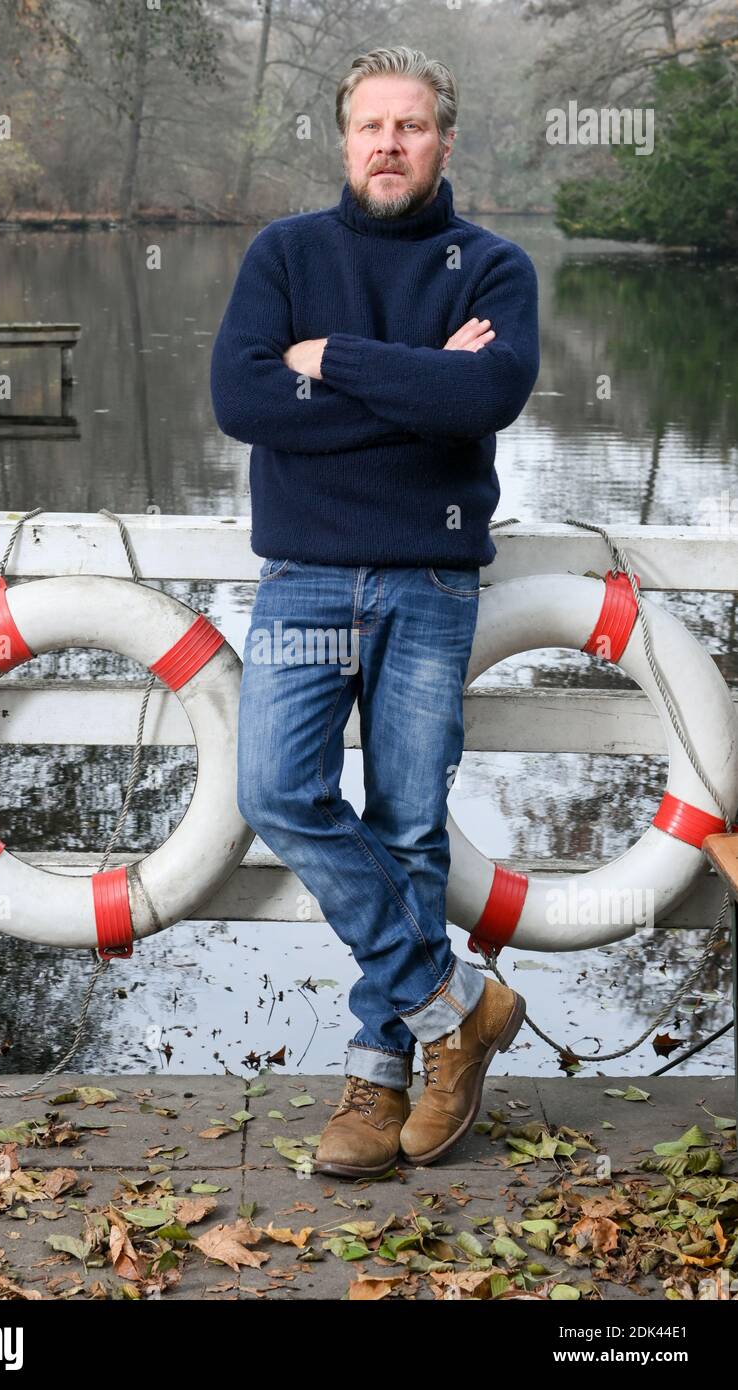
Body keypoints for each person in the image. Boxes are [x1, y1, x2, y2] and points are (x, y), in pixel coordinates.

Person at [210, 45, 538, 1178]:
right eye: (369, 127)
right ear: (341, 138)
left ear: (444, 140)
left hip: (430, 576)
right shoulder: (285, 252)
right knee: (277, 790)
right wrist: (414, 386)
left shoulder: (491, 268)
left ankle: (378, 1075)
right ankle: (454, 1010)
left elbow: (485, 395)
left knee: (406, 825)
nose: (387, 145)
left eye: (409, 126)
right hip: (302, 572)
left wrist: (334, 362)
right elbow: (244, 399)